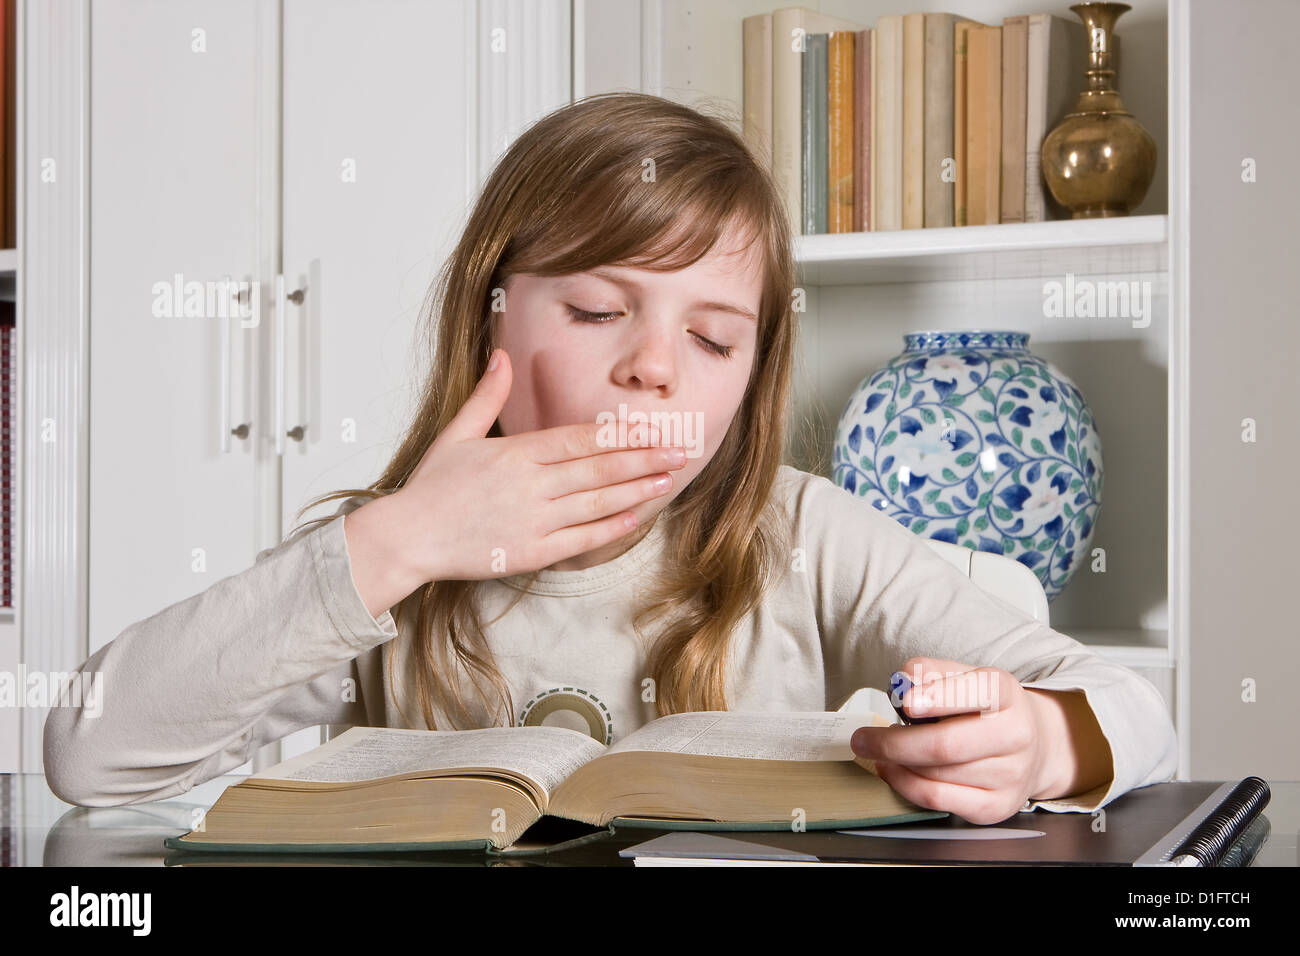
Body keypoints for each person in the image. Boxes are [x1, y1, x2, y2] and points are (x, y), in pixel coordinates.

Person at [43, 92, 1176, 824]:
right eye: (594, 310)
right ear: (493, 316)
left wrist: (1039, 740)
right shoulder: (390, 555)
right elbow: (95, 758)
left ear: (752, 367)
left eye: (713, 337)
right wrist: (391, 540)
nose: (654, 369)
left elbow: (1132, 707)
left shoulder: (804, 534)